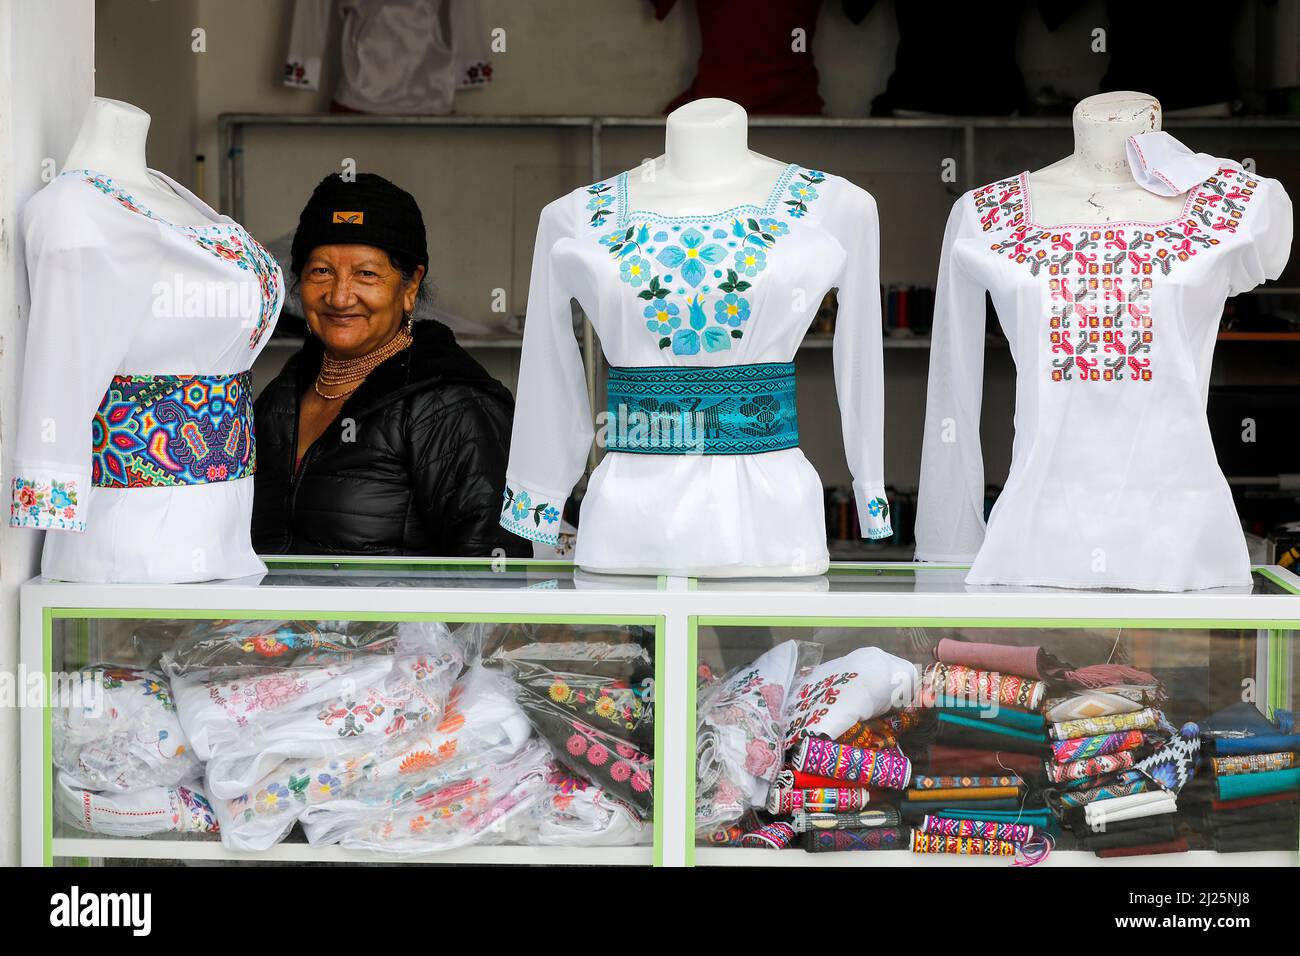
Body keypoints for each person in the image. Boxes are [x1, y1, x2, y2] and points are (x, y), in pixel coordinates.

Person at [252, 172, 529, 557]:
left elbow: (492, 579)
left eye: (365, 273)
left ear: (410, 286)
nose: (340, 295)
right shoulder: (282, 395)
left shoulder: (452, 409)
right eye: (321, 271)